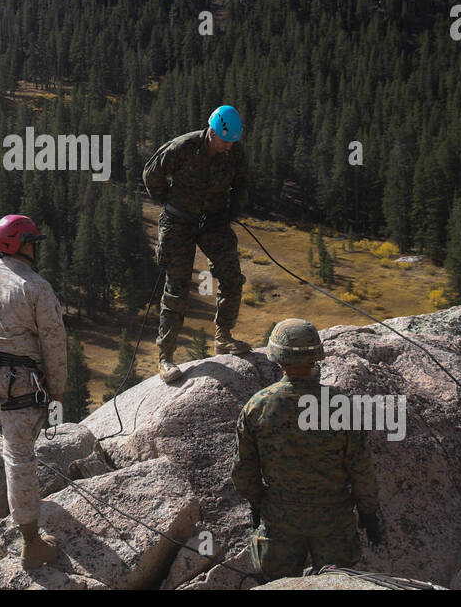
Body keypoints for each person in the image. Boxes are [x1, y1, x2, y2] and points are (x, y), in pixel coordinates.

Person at [231, 318, 383, 581]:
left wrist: (258, 502)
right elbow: (361, 468)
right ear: (315, 357)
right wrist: (368, 512)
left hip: (280, 519)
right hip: (334, 520)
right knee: (337, 582)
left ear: (277, 358)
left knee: (277, 585)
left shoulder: (257, 406)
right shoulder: (340, 405)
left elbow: (243, 470)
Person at [0, 214, 67, 570]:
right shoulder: (36, 286)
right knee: (19, 457)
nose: (36, 247)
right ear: (21, 244)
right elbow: (54, 343)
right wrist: (57, 392)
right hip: (21, 380)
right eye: (32, 241)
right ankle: (32, 543)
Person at [142, 105, 251, 384]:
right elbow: (151, 174)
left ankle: (223, 337)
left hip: (214, 221)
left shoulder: (234, 152)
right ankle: (165, 357)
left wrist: (232, 208)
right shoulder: (183, 147)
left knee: (231, 276)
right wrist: (169, 202)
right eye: (224, 140)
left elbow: (242, 182)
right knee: (177, 288)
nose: (227, 146)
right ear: (212, 131)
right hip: (179, 222)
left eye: (232, 141)